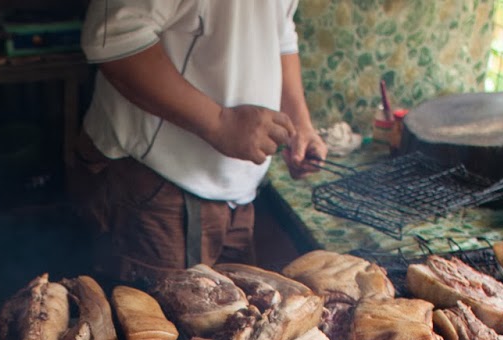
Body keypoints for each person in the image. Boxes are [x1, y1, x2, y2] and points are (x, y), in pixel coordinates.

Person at [74, 0, 328, 284]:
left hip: (238, 188)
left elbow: (280, 32)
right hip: (159, 182)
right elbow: (115, 39)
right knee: (154, 327)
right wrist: (220, 122)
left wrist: (300, 123)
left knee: (240, 322)